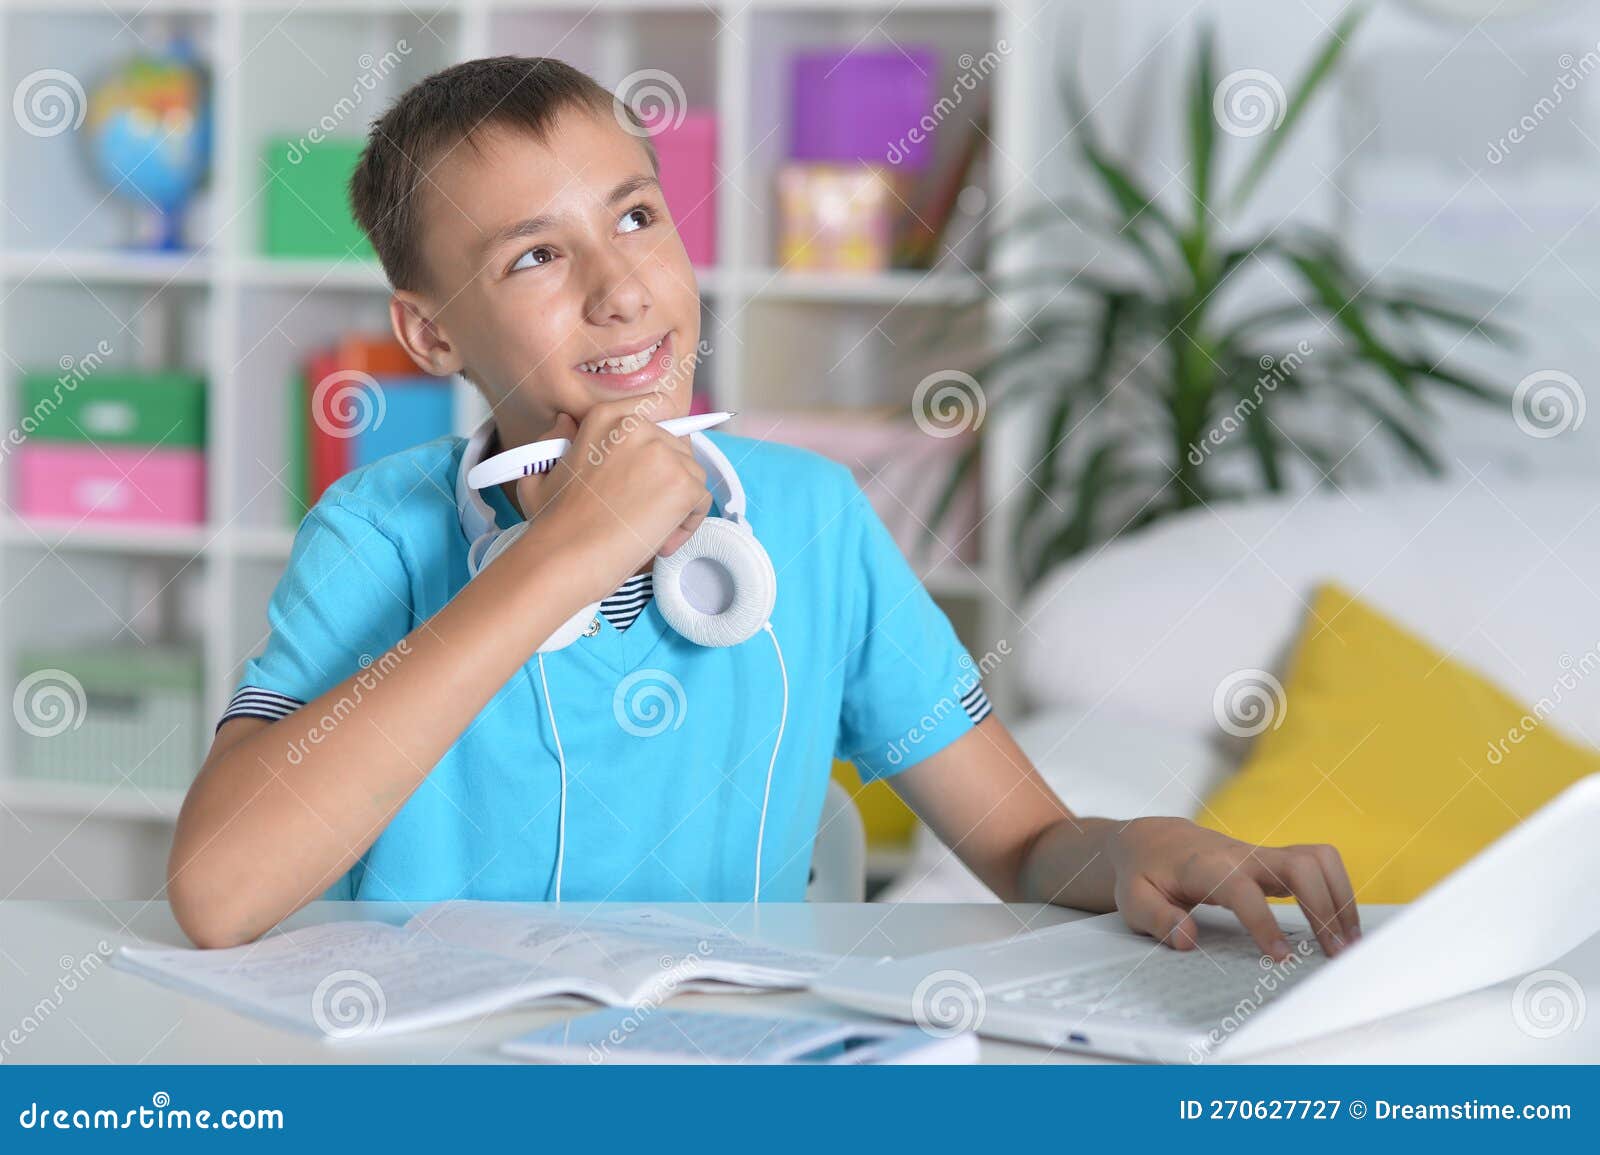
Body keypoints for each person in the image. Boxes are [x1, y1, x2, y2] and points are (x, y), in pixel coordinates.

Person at [168, 57, 1360, 958]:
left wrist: (1131, 849)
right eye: (534, 257)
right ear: (432, 332)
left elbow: (1022, 844)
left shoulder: (816, 520)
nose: (621, 288)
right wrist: (557, 559)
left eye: (636, 217)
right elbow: (220, 894)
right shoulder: (375, 535)